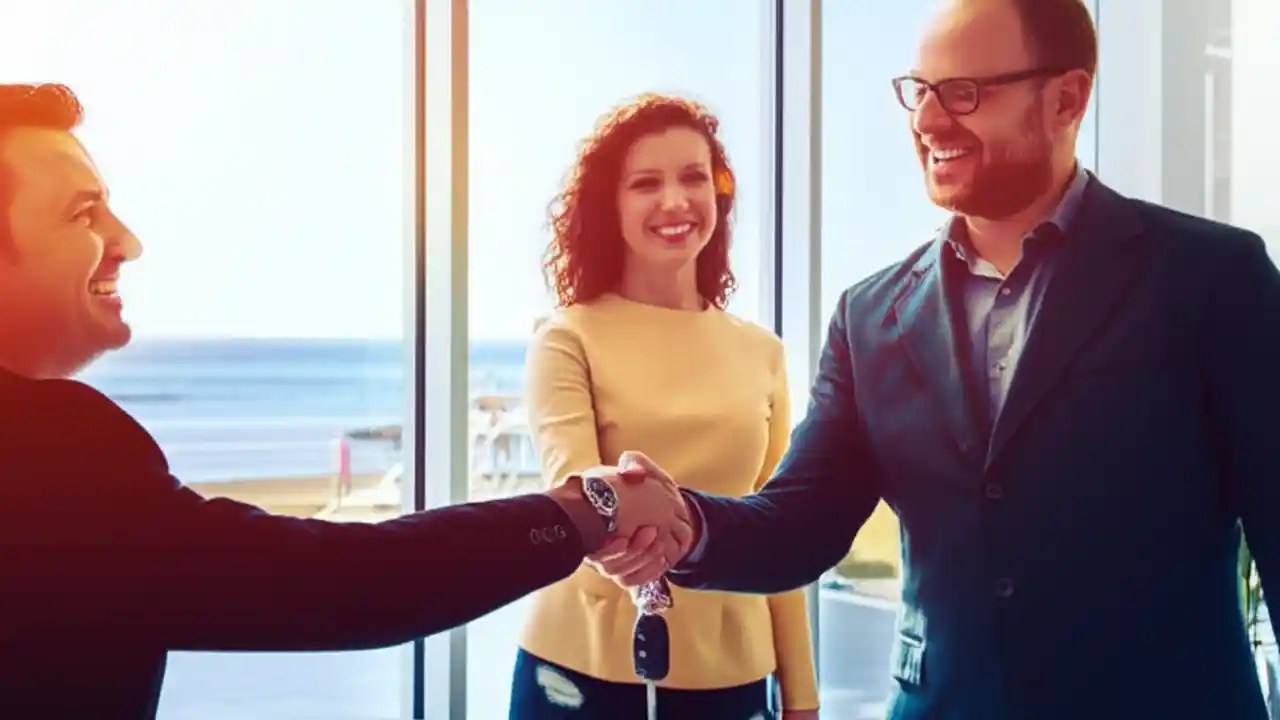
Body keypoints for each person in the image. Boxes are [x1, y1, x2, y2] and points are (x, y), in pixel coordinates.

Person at [587, 1, 1280, 718]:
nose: (927, 121)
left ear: (1067, 98)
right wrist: (686, 526)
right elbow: (803, 524)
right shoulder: (871, 316)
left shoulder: (1212, 281)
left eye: (964, 93)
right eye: (919, 91)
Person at [0, 82, 688, 720]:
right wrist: (584, 510)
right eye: (84, 214)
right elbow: (337, 584)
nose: (127, 241)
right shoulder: (55, 448)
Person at [509, 94, 819, 719]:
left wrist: (803, 695)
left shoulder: (762, 353)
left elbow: (779, 532)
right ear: (610, 206)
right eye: (646, 183)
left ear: (718, 194)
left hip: (736, 679)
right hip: (579, 675)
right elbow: (579, 508)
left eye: (693, 177)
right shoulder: (568, 337)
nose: (675, 202)